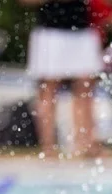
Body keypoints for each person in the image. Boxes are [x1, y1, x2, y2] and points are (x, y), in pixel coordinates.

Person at [22, 0, 103, 156]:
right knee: (48, 90)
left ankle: (85, 144)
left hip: (82, 30)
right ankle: (48, 147)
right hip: (50, 31)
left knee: (85, 89)